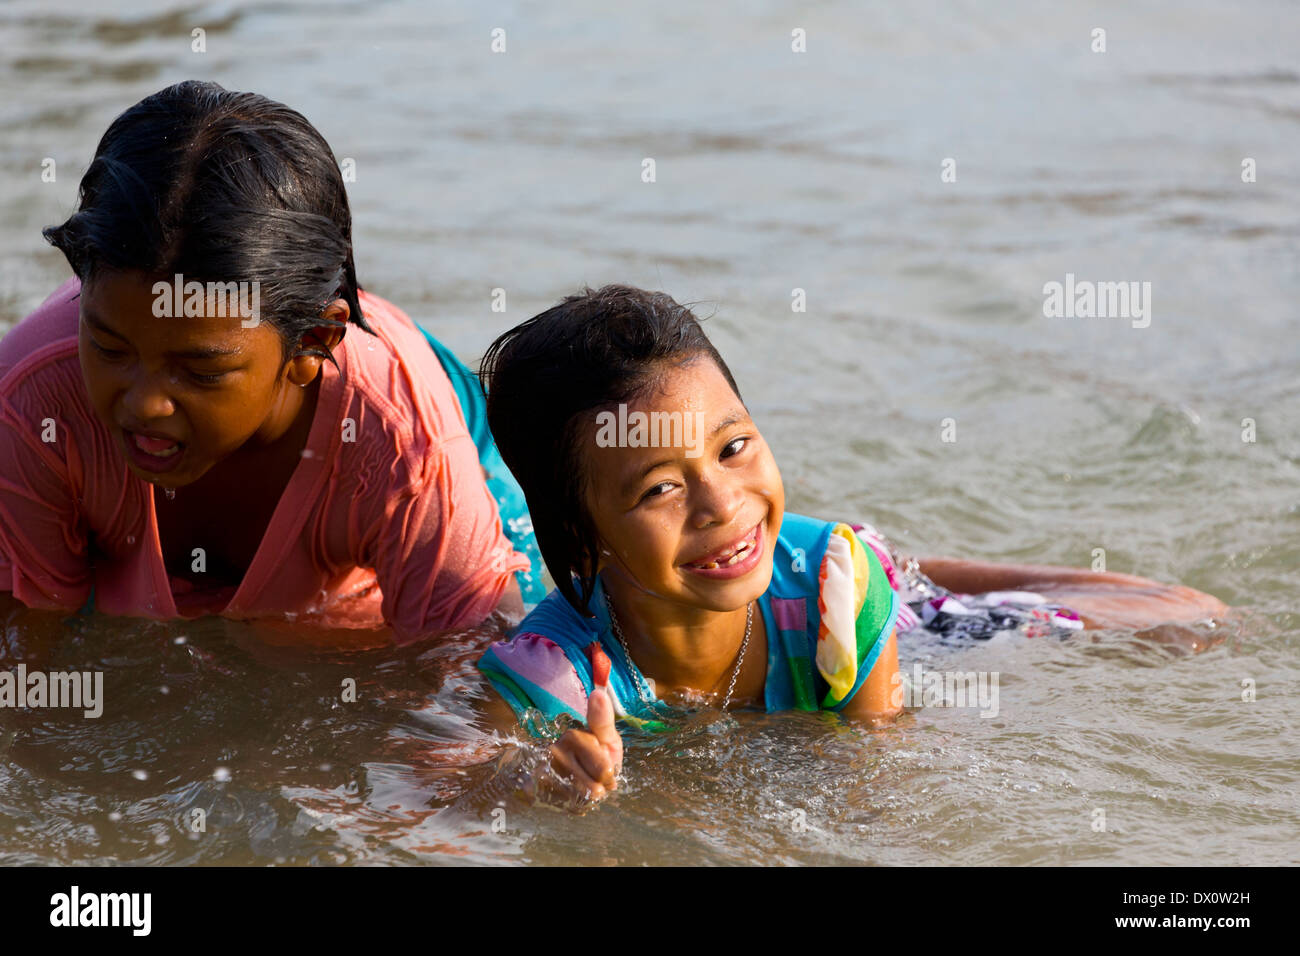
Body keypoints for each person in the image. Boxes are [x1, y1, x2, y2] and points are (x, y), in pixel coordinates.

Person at [473, 285, 1229, 802]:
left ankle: (903, 566)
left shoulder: (844, 596)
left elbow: (870, 776)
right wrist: (547, 791)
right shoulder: (551, 682)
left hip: (852, 602)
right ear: (581, 540)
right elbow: (451, 802)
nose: (721, 503)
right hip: (797, 574)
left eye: (734, 448)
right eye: (660, 489)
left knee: (1189, 618)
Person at [0, 80, 537, 645]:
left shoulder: (407, 447)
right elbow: (26, 649)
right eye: (110, 348)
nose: (145, 404)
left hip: (439, 420)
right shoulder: (32, 400)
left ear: (314, 342)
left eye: (200, 371)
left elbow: (474, 689)